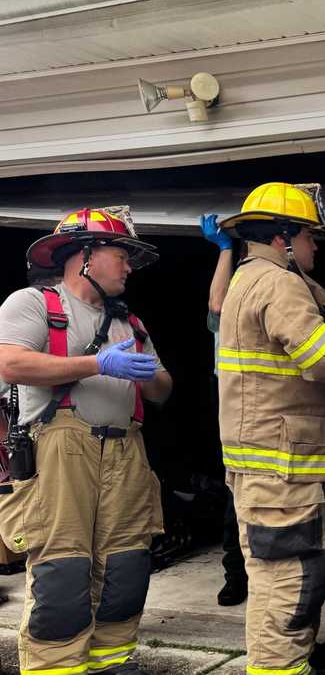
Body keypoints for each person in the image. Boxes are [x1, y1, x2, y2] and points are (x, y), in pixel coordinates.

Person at [0, 207, 173, 675]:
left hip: (125, 452)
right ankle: (56, 668)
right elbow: (10, 364)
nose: (129, 267)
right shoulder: (34, 304)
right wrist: (99, 364)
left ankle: (112, 662)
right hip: (60, 452)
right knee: (62, 570)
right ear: (86, 255)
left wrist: (149, 374)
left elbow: (162, 391)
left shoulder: (130, 323)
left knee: (125, 565)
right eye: (122, 255)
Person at [215, 183, 325, 675]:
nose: (315, 246)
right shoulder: (278, 284)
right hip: (281, 467)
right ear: (283, 239)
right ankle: (278, 668)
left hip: (274, 463)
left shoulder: (246, 278)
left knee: (296, 569)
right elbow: (324, 358)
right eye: (309, 236)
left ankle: (296, 657)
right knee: (286, 579)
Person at [200, 213, 250, 607]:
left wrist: (225, 248)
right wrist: (224, 250)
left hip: (268, 398)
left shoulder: (275, 288)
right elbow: (217, 304)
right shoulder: (231, 301)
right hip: (236, 399)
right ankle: (236, 575)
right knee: (238, 487)